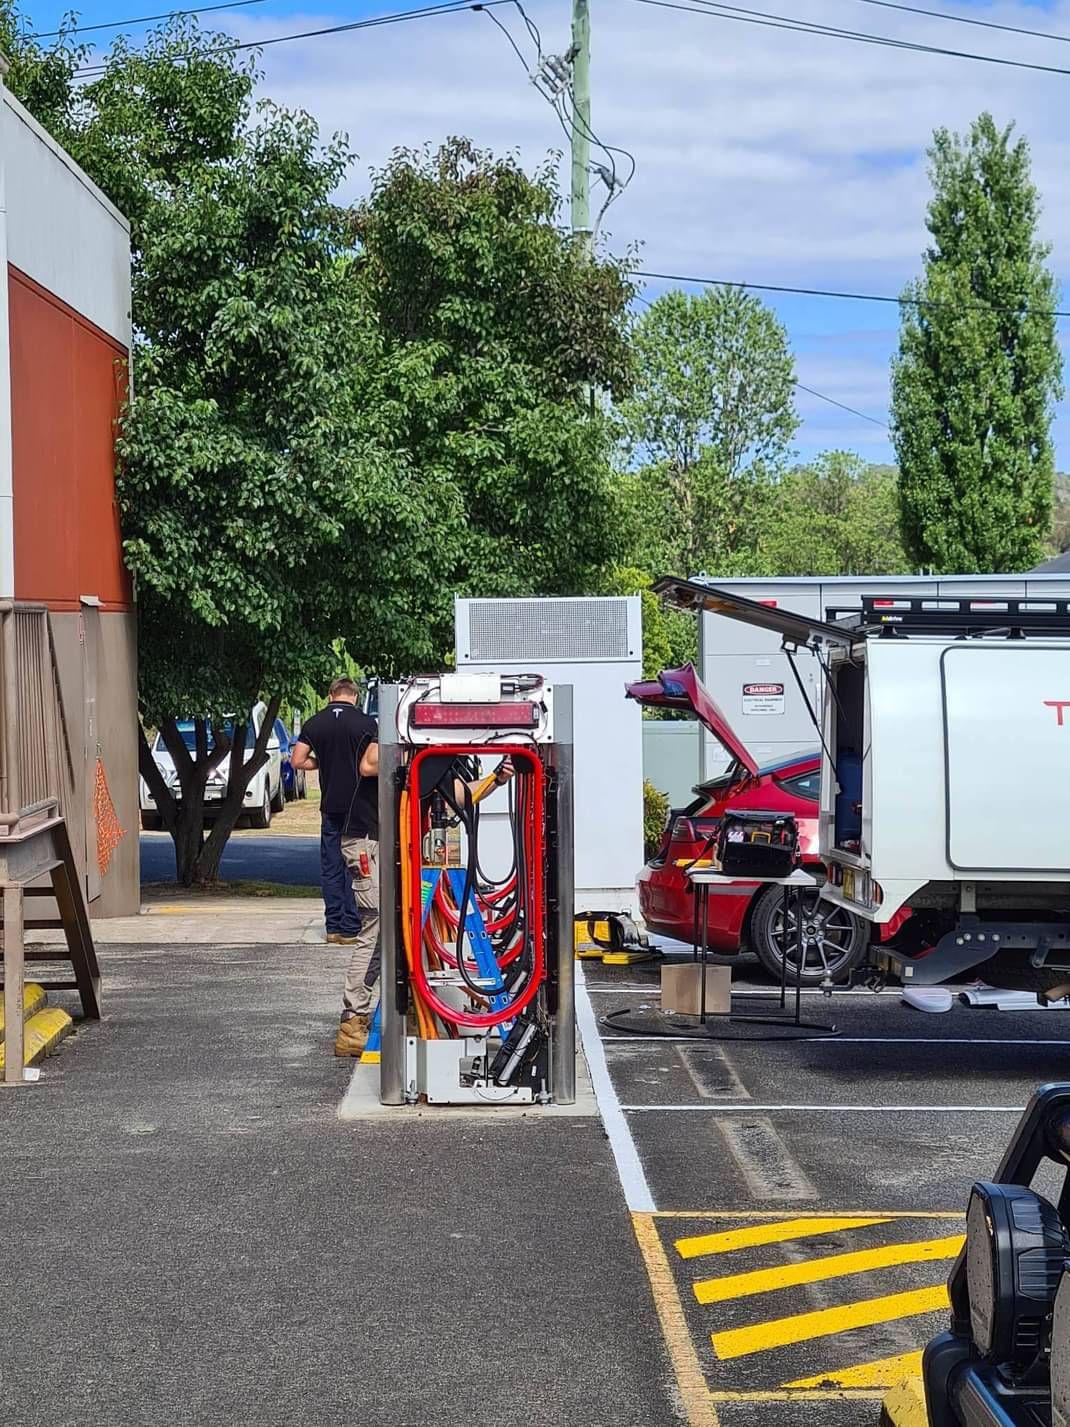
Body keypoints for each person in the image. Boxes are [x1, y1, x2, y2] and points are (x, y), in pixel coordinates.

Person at [290, 678, 370, 954]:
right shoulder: (366, 724)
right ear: (355, 697)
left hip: (330, 805)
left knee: (332, 865)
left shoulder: (315, 723)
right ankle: (351, 926)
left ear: (330, 695)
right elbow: (373, 763)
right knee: (357, 867)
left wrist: (320, 762)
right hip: (359, 807)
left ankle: (334, 926)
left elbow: (297, 760)